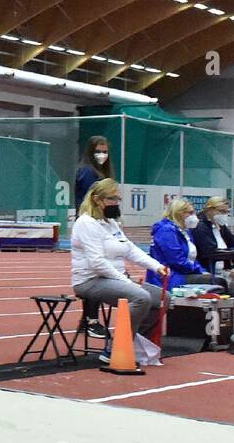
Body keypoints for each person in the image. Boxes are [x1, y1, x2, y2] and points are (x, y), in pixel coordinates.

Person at [71, 178, 168, 365]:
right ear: (98, 200)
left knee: (163, 298)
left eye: (118, 199)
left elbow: (130, 249)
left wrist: (156, 266)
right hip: (91, 280)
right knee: (141, 297)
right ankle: (115, 349)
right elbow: (97, 262)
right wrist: (125, 280)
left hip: (116, 278)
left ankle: (138, 344)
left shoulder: (111, 224)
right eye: (113, 199)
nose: (117, 203)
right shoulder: (86, 223)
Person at [189, 196, 234, 334]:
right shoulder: (200, 227)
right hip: (208, 271)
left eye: (226, 211)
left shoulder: (221, 227)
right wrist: (232, 253)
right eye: (222, 211)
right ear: (211, 210)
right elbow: (210, 251)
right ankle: (226, 325)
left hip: (226, 270)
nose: (224, 215)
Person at [74, 135, 115, 340]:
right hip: (90, 226)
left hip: (99, 225)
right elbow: (89, 200)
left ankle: (88, 318)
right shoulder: (88, 172)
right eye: (98, 151)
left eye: (105, 151)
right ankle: (91, 319)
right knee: (94, 272)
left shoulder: (101, 172)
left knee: (97, 271)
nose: (102, 155)